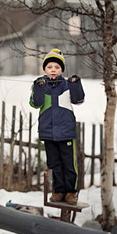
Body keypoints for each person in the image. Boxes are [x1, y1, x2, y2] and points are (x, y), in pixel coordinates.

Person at [30, 49, 85, 204]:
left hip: (66, 132)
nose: (53, 70)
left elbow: (78, 99)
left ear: (61, 70)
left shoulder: (67, 85)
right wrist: (39, 87)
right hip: (48, 133)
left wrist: (75, 84)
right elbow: (35, 103)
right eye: (49, 67)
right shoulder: (41, 85)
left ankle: (71, 192)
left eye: (57, 67)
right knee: (54, 163)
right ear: (44, 69)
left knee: (69, 164)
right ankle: (59, 191)